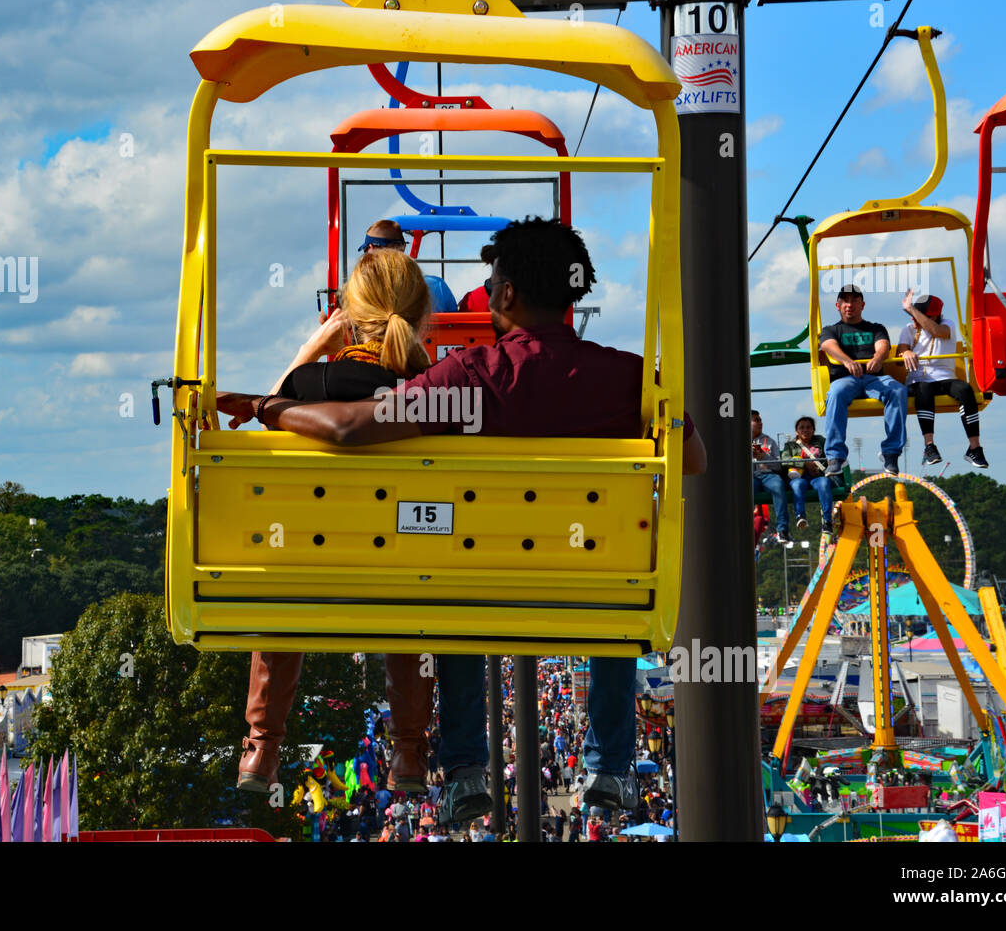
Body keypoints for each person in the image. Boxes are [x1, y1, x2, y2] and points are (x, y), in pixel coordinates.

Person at [217, 216, 706, 822]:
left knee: (451, 581)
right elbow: (693, 458)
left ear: (505, 294)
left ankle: (468, 765)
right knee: (616, 587)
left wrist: (269, 404)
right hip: (595, 591)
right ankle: (609, 763)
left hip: (482, 589)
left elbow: (348, 429)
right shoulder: (629, 377)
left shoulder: (470, 375)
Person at [234, 249, 438, 796]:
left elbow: (266, 418)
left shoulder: (309, 385)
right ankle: (410, 752)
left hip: (312, 567)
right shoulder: (439, 390)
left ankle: (261, 747)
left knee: (282, 587)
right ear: (419, 317)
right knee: (411, 599)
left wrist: (310, 350)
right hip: (405, 570)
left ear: (349, 314)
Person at [818, 284, 907, 476]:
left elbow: (883, 345)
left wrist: (878, 358)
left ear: (862, 305)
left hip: (873, 378)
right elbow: (828, 346)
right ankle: (835, 456)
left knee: (898, 390)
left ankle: (891, 453)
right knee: (835, 393)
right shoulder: (831, 330)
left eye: (855, 301)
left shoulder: (875, 328)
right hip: (846, 378)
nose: (850, 305)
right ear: (838, 305)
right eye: (845, 301)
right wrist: (848, 361)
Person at [894, 289, 987, 468]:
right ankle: (929, 446)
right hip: (918, 380)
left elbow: (937, 331)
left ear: (933, 316)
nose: (913, 319)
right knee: (924, 389)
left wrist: (911, 309)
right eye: (912, 316)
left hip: (945, 379)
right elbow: (899, 356)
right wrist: (905, 352)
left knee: (965, 389)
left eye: (917, 316)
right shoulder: (908, 330)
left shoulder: (948, 325)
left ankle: (975, 448)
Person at [359, 219, 456, 313]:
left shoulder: (362, 290)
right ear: (403, 248)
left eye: (366, 250)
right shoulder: (437, 286)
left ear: (371, 248)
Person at [780, 415, 834, 533]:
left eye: (809, 427)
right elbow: (784, 460)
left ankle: (827, 521)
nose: (805, 430)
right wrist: (804, 464)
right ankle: (800, 516)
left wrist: (820, 469)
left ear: (813, 430)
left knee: (824, 483)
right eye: (802, 427)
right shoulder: (790, 445)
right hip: (799, 477)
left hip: (817, 477)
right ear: (797, 431)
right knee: (797, 485)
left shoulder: (821, 441)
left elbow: (830, 456)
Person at [752, 410, 790, 544]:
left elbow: (778, 466)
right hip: (752, 477)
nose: (760, 422)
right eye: (756, 420)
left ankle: (783, 529)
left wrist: (764, 457)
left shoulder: (769, 442)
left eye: (760, 420)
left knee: (778, 486)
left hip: (769, 475)